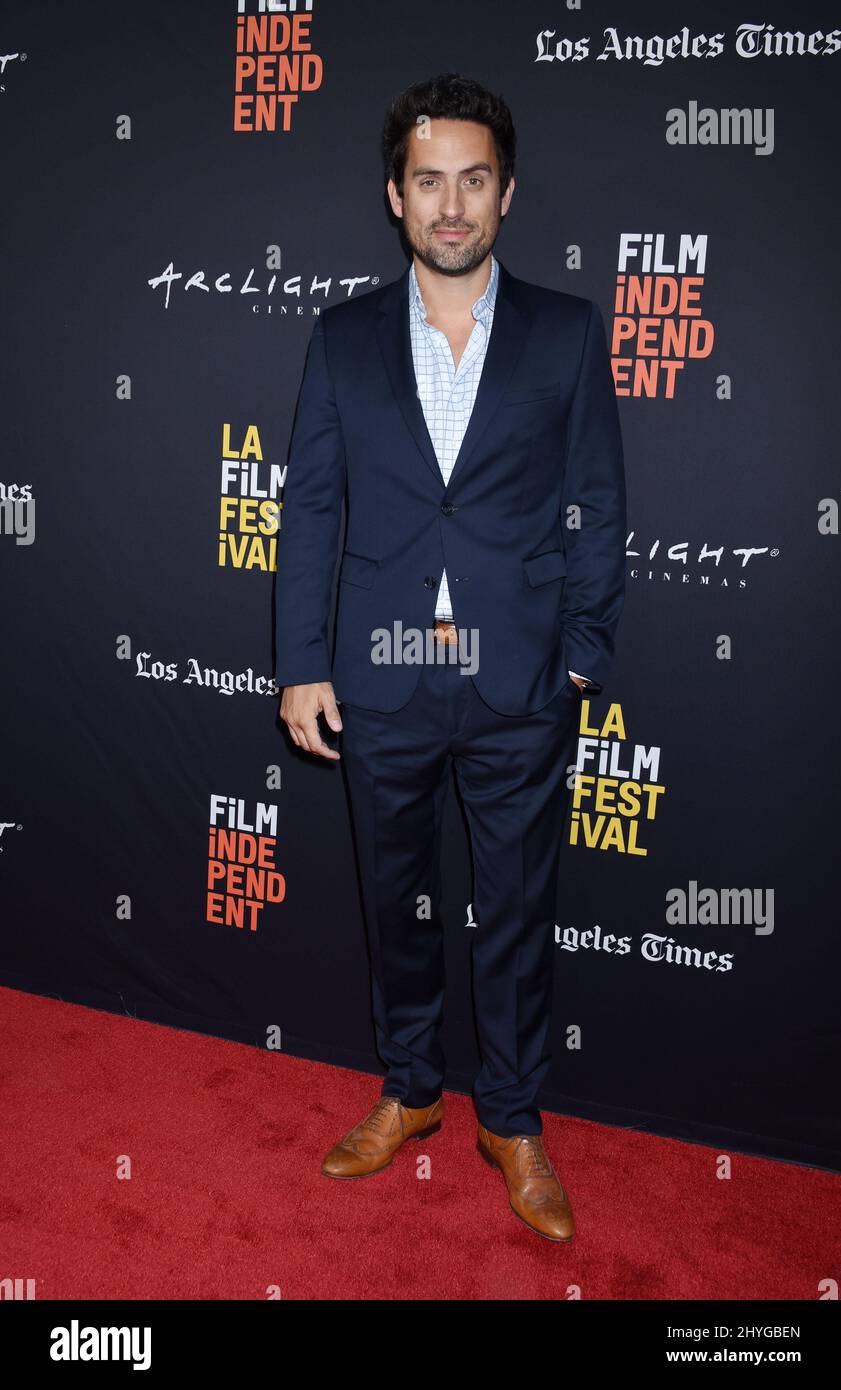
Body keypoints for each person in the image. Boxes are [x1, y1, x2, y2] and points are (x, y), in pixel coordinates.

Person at [275, 73, 626, 1241]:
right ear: (395, 195)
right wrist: (301, 662)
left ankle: (512, 1118)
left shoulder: (568, 334)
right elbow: (311, 510)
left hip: (516, 677)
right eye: (428, 180)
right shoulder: (339, 339)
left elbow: (597, 503)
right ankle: (412, 1091)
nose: (451, 204)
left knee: (518, 905)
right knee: (395, 900)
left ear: (505, 192)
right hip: (379, 672)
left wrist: (576, 654)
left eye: (473, 180)